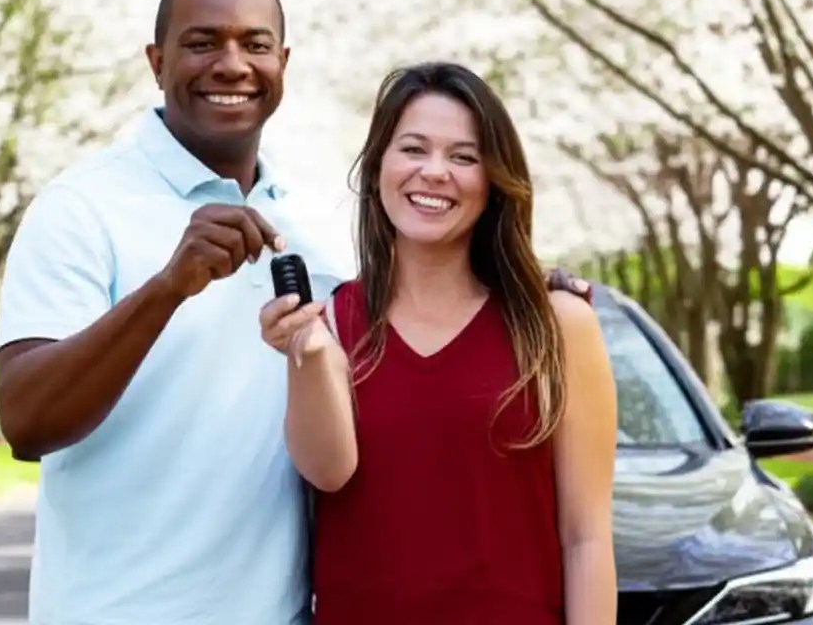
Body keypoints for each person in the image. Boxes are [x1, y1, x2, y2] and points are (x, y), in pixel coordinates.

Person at [0, 0, 594, 624]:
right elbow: (26, 422)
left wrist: (530, 286)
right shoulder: (81, 208)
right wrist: (167, 287)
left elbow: (434, 286)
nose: (231, 65)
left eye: (254, 45)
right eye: (201, 43)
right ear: (155, 61)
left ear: (283, 62)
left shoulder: (321, 226)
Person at [260, 62, 619, 624]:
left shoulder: (558, 323)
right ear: (379, 165)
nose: (434, 173)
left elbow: (586, 536)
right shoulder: (329, 322)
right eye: (413, 149)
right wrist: (307, 351)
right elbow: (327, 472)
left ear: (494, 180)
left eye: (463, 157)